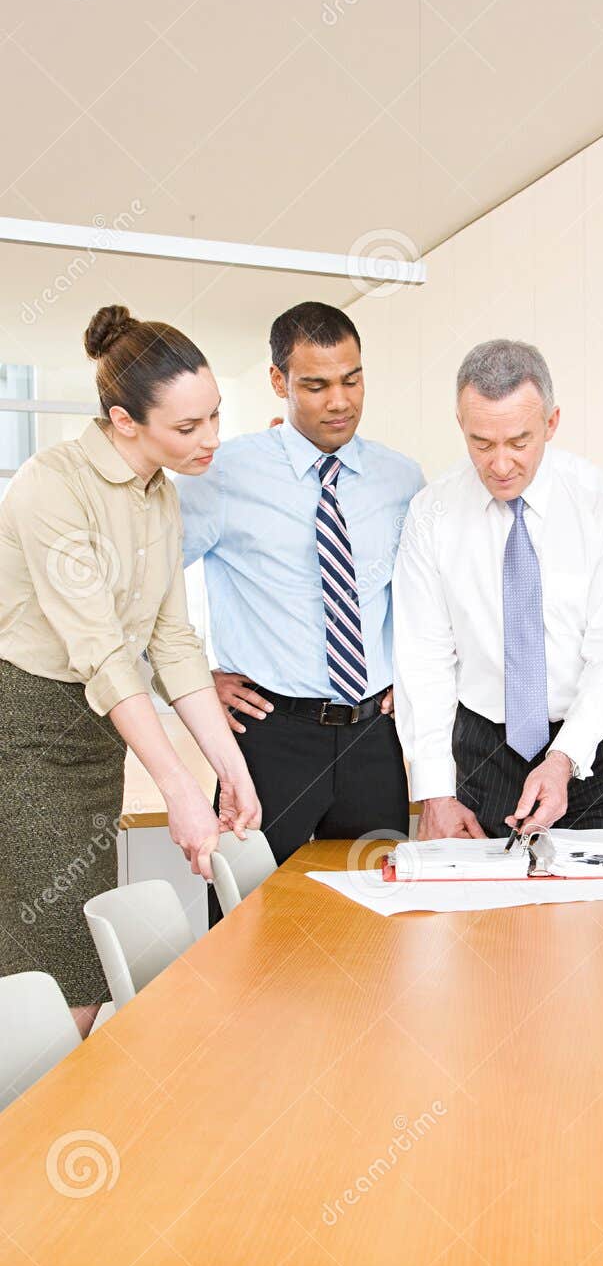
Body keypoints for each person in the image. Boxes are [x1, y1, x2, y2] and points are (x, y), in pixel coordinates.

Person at [0, 306, 260, 1034]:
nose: (211, 438)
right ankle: (37, 1104)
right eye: (188, 426)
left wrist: (231, 769)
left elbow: (172, 643)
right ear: (124, 420)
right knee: (57, 969)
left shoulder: (161, 493)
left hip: (97, 731)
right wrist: (178, 789)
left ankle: (44, 1097)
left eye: (214, 415)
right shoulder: (52, 485)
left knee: (71, 957)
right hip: (27, 727)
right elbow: (104, 653)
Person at [178, 302, 423, 872]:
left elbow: (422, 597)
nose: (340, 401)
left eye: (352, 380)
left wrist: (414, 674)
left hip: (373, 737)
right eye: (315, 386)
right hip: (269, 734)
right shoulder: (220, 474)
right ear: (278, 381)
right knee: (250, 913)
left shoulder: (402, 479)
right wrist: (189, 678)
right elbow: (143, 589)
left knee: (376, 909)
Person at [392, 339, 603, 839]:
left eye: (519, 442)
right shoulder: (431, 513)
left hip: (594, 750)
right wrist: (435, 791)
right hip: (483, 755)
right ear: (461, 424)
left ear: (551, 423)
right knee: (484, 893)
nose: (500, 464)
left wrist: (563, 758)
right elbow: (424, 657)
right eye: (481, 443)